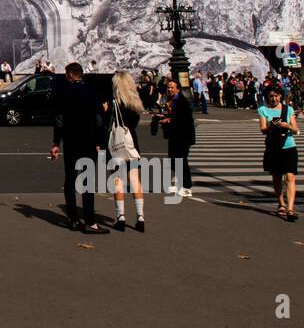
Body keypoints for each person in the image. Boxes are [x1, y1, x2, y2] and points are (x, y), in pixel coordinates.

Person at [50, 63, 109, 234]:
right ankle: (90, 222)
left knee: (70, 179)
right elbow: (99, 120)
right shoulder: (91, 92)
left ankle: (73, 219)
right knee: (87, 182)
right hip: (88, 141)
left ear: (69, 74)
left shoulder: (64, 93)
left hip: (70, 141)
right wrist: (99, 142)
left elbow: (59, 120)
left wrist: (55, 143)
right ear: (81, 74)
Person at [105, 70, 146, 231]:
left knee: (118, 180)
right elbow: (134, 123)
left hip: (116, 144)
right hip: (131, 143)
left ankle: (120, 216)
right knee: (135, 180)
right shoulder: (133, 102)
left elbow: (107, 123)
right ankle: (140, 216)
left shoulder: (113, 102)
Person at [258, 85, 299, 221]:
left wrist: (286, 125)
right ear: (267, 97)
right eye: (271, 96)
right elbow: (263, 130)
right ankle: (281, 203)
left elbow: (295, 129)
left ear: (280, 96)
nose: (274, 98)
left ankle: (290, 208)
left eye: (276, 96)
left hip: (289, 146)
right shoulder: (263, 110)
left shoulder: (288, 110)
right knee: (276, 177)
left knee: (290, 177)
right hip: (273, 147)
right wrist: (271, 125)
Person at [156, 79, 196, 197]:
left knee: (181, 161)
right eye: (168, 87)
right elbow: (173, 116)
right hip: (175, 135)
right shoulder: (172, 101)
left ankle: (187, 187)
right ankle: (179, 184)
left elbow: (183, 120)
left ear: (178, 89)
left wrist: (168, 120)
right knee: (174, 160)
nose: (170, 89)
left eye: (172, 87)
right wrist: (164, 117)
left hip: (182, 136)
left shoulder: (180, 101)